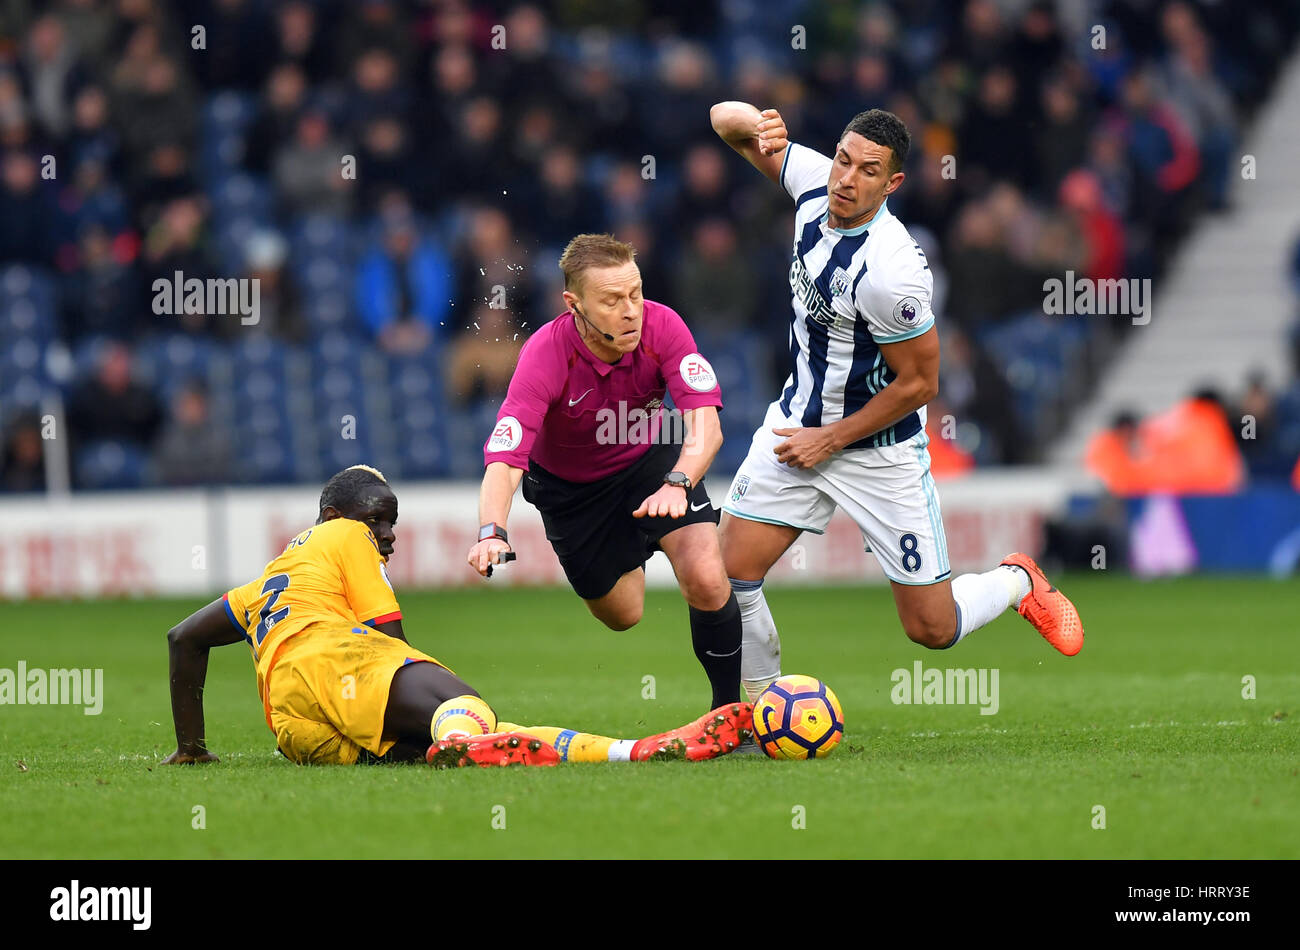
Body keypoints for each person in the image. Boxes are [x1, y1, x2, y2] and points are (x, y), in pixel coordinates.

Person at [708, 102, 1085, 702]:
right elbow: (720, 120)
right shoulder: (814, 186)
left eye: (868, 170)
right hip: (795, 424)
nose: (847, 179)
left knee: (931, 629)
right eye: (843, 160)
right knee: (728, 573)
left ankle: (1018, 580)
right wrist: (757, 123)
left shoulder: (893, 270)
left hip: (877, 452)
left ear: (893, 183)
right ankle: (754, 713)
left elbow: (920, 385)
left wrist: (830, 439)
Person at [163, 465, 751, 768]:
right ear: (335, 514)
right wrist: (423, 681)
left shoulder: (264, 582)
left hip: (295, 729)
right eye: (378, 520)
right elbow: (389, 643)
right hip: (337, 664)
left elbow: (183, 639)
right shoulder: (344, 534)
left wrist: (192, 746)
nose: (386, 535)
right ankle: (625, 750)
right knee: (466, 712)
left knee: (442, 745)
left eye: (392, 522)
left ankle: (619, 751)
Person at [466, 233, 743, 713]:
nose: (631, 310)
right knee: (624, 615)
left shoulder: (664, 326)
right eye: (613, 300)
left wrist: (678, 482)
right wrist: (492, 531)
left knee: (704, 573)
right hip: (572, 492)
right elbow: (506, 457)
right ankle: (636, 543)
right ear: (573, 304)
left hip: (651, 457)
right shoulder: (543, 356)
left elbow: (706, 426)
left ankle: (729, 714)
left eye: (635, 293)